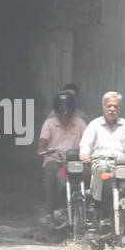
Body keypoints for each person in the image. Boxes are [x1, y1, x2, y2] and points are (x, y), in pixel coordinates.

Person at [36, 90, 88, 224]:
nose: (64, 118)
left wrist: (87, 153)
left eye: (67, 116)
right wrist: (42, 149)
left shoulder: (80, 123)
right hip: (55, 158)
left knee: (88, 173)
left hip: (75, 160)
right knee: (50, 173)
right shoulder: (49, 123)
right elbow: (43, 141)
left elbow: (89, 141)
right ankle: (49, 211)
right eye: (61, 116)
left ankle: (89, 208)